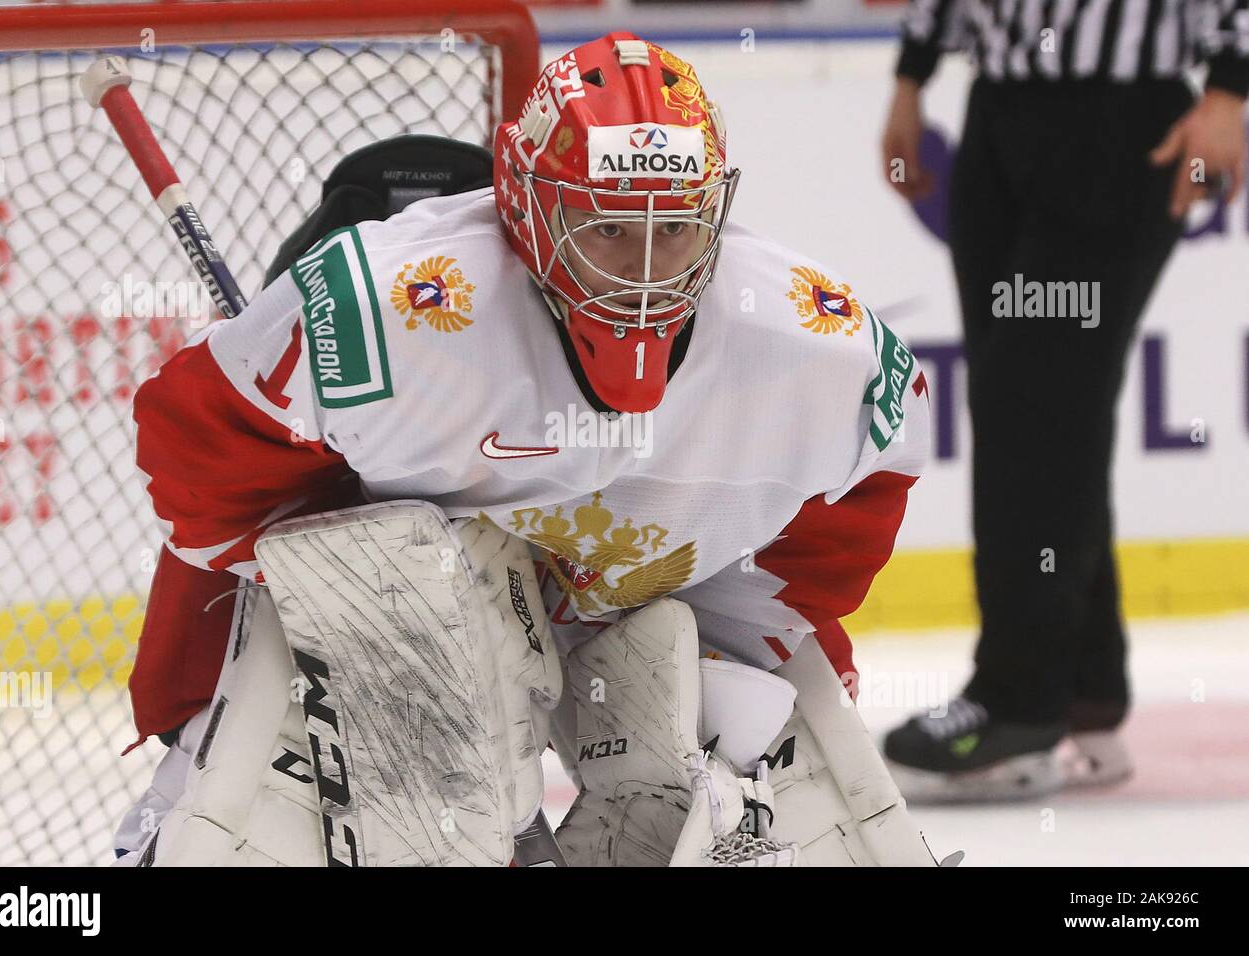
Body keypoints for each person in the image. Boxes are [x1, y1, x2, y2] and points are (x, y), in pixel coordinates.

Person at [112, 33, 934, 865]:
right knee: (279, 790)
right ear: (528, 203)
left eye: (676, 227)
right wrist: (350, 578)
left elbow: (867, 484)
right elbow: (194, 440)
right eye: (609, 227)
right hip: (430, 593)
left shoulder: (812, 342)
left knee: (774, 763)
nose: (645, 271)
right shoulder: (397, 309)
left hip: (650, 595)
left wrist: (746, 627)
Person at [879, 0, 1247, 801]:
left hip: (1122, 122)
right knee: (1041, 405)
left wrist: (1230, 86)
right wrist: (912, 77)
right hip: (999, 114)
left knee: (1034, 406)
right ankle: (1086, 684)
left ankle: (1019, 704)